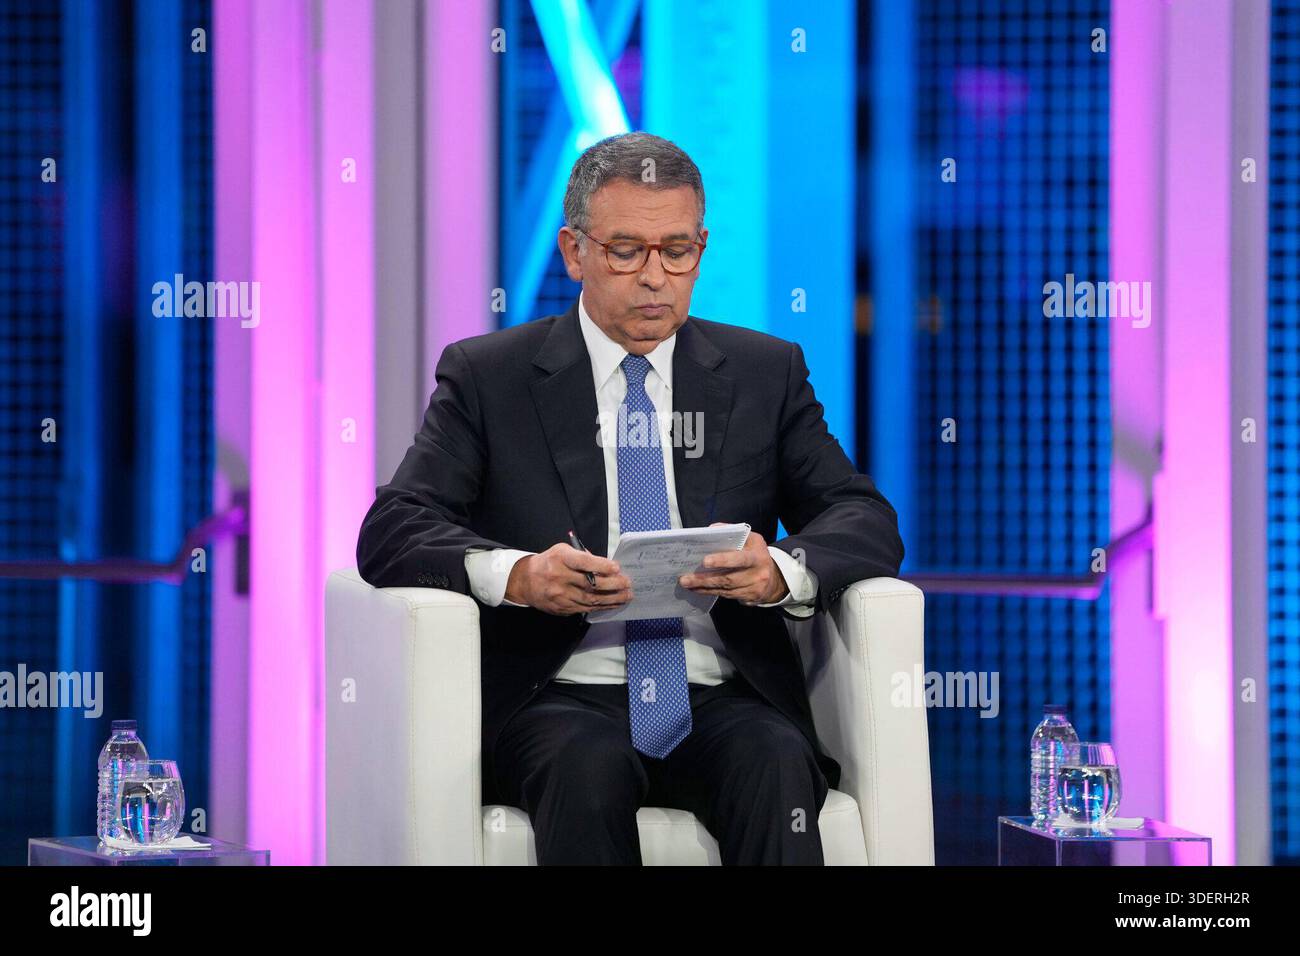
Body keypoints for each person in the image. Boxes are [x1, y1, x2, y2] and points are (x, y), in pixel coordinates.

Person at [356, 131, 903, 865]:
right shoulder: (492, 378)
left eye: (677, 250)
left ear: (701, 248)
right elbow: (392, 529)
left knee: (775, 762)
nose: (656, 277)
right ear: (574, 251)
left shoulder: (763, 372)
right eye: (626, 250)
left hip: (721, 694)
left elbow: (864, 517)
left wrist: (780, 569)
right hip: (561, 696)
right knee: (584, 767)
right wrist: (518, 575)